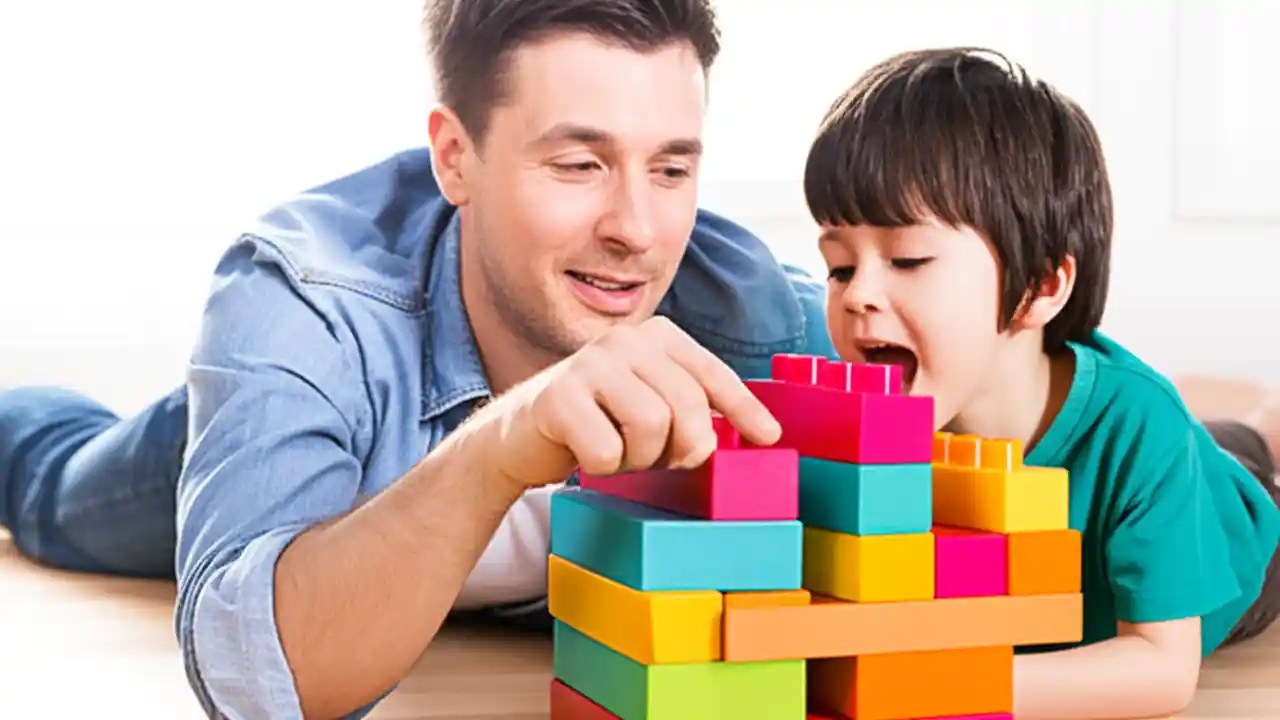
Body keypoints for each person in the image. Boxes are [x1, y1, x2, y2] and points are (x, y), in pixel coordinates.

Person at [0, 2, 833, 718]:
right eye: (579, 165)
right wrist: (499, 448)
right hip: (302, 462)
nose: (638, 231)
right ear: (454, 158)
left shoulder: (764, 326)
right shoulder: (308, 298)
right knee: (50, 485)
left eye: (671, 167)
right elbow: (250, 683)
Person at [802, 46, 1280, 719]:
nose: (858, 297)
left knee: (1234, 461)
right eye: (840, 268)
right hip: (1161, 459)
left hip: (1240, 535)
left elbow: (1163, 670)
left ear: (1040, 287)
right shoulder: (877, 424)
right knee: (1218, 436)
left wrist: (937, 688)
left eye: (907, 258)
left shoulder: (1140, 429)